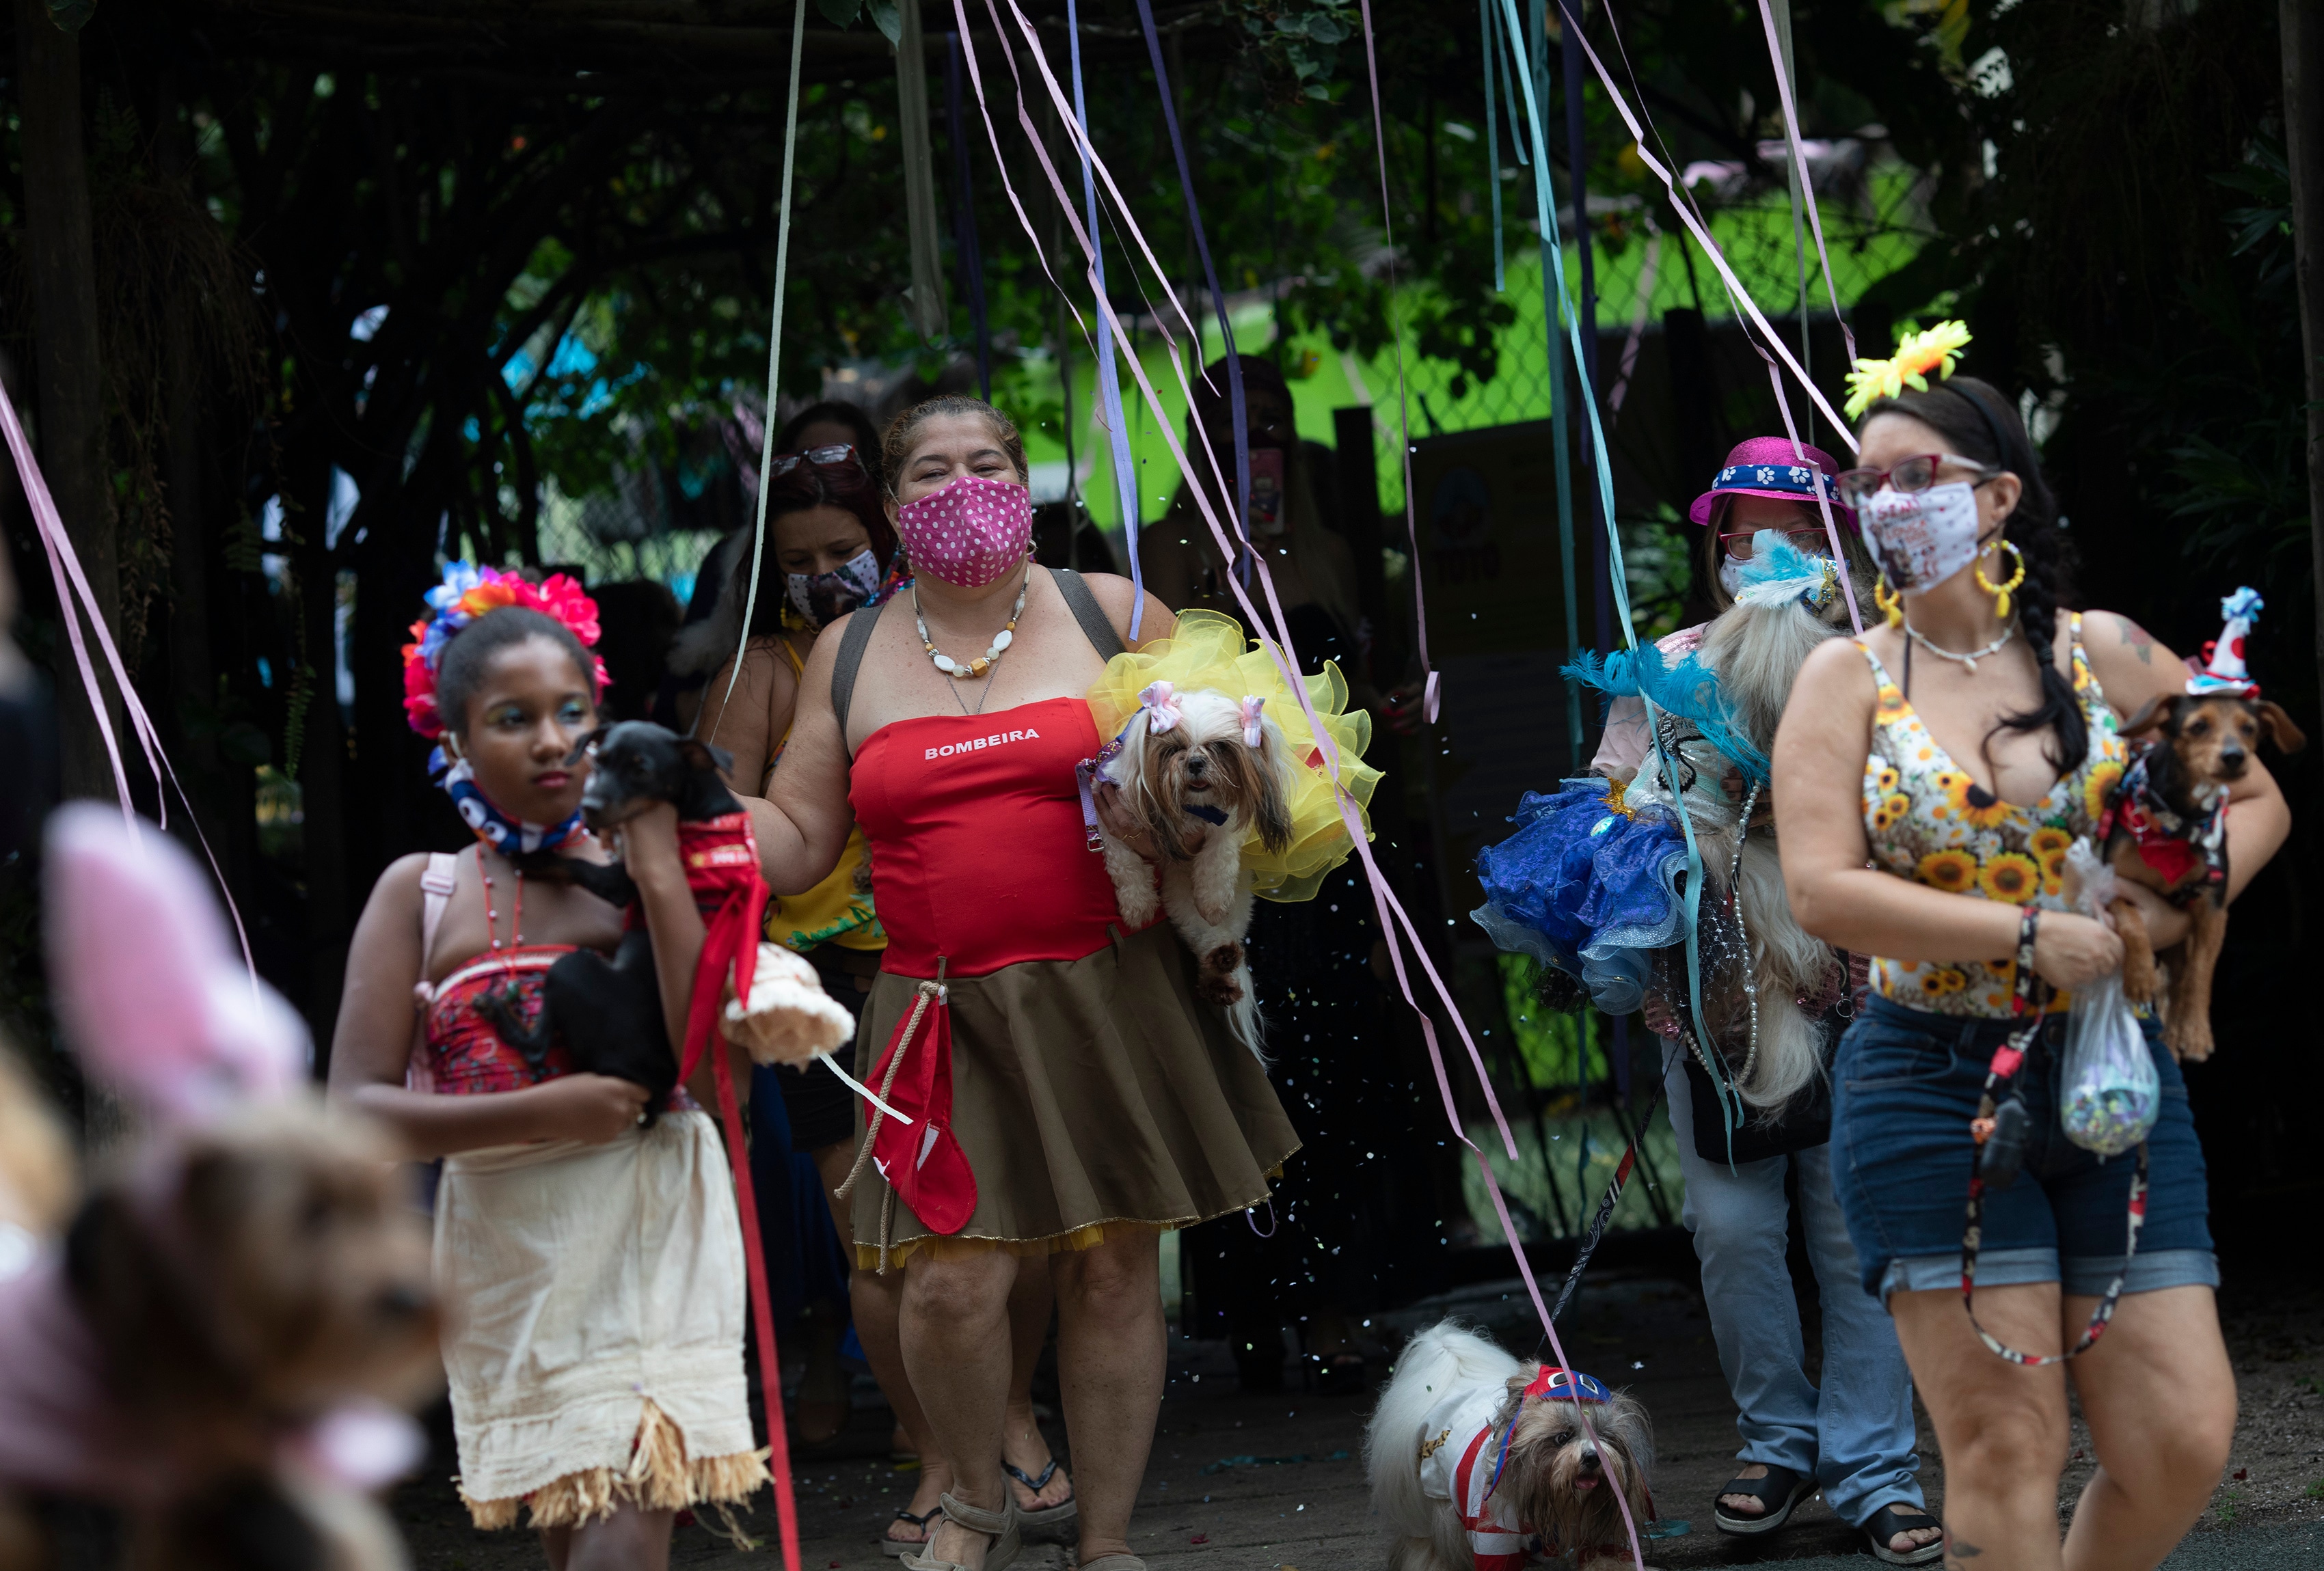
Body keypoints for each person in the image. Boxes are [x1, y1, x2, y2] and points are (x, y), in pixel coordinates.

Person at [718, 393, 1298, 1571]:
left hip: (1110, 995)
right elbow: (799, 840)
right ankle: (976, 1506)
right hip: (936, 1011)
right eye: (931, 472)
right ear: (893, 508)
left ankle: (1106, 1540)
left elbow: (1247, 764)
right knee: (950, 1282)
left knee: (1113, 1265)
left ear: (1024, 487)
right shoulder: (846, 653)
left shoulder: (1111, 611)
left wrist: (1200, 835)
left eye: (986, 463)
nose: (963, 486)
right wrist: (688, 810)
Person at [1773, 339, 2290, 1571]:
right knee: (2006, 1443)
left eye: (1917, 477)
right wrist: (2024, 935)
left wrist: (2166, 918)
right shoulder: (1845, 677)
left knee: (2181, 1435)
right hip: (1931, 1086)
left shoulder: (2098, 651)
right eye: (1867, 485)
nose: (1887, 505)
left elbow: (2256, 799)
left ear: (1999, 495)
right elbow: (1821, 890)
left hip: (2113, 1072)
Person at [327, 568, 763, 1569]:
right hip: (507, 1251)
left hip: (655, 1224)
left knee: (628, 1502)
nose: (554, 741)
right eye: (513, 719)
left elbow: (717, 1077)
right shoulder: (421, 895)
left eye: (573, 712)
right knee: (575, 1526)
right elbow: (353, 1112)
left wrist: (658, 873)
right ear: (453, 740)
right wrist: (553, 1110)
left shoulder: (668, 871)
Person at [687, 447, 1078, 1555]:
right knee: (881, 1243)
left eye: (843, 550)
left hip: (946, 964)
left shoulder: (940, 638)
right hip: (821, 990)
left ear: (888, 538)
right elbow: (723, 816)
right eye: (799, 560)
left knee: (1011, 1224)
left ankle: (1009, 1418)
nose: (824, 575)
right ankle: (939, 1458)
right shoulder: (763, 671)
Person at [1590, 439, 1941, 1563]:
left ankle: (1876, 1469)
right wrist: (1650, 841)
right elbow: (1610, 803)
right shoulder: (1663, 667)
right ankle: (1777, 1446)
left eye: (1792, 532)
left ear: (1835, 546)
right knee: (1735, 1232)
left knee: (1857, 1230)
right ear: (1720, 546)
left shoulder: (1877, 659)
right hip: (1715, 994)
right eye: (1745, 532)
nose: (1766, 551)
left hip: (1863, 986)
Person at [1141, 356, 1422, 1393]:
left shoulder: (1327, 550)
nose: (1249, 443)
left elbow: (1348, 689)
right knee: (1243, 1065)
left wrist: (1386, 710)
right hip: (1225, 859)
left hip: (1330, 854)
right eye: (1229, 424)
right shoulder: (1166, 551)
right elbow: (1153, 705)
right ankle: (1252, 1310)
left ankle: (1338, 1304)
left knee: (1338, 1072)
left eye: (1268, 424)